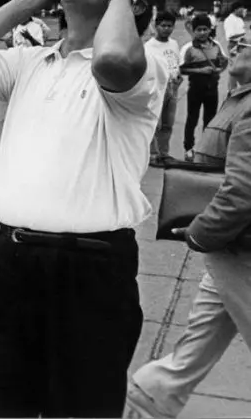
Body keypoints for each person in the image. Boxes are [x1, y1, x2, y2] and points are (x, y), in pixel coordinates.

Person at [0, 0, 165, 417]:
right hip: (10, 260)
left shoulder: (145, 65)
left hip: (91, 269)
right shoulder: (30, 62)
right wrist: (27, 0)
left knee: (79, 407)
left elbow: (113, 59)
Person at [126, 32, 251, 419]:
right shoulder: (239, 98)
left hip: (238, 248)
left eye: (248, 42)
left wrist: (201, 232)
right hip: (228, 247)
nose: (238, 44)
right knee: (199, 339)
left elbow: (243, 187)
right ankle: (152, 397)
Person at [181, 13, 228, 162]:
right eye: (199, 29)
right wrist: (199, 71)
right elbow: (181, 70)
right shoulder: (188, 48)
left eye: (205, 29)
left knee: (210, 120)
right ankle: (189, 148)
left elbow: (224, 60)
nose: (202, 32)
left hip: (212, 89)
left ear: (210, 30)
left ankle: (205, 149)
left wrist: (220, 69)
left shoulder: (216, 45)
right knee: (192, 119)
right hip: (195, 89)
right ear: (194, 31)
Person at [147, 11, 182, 167]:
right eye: (163, 26)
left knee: (168, 123)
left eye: (170, 26)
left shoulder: (174, 44)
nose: (166, 29)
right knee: (155, 123)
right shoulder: (149, 46)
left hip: (173, 87)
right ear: (156, 26)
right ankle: (153, 154)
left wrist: (178, 77)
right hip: (158, 87)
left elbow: (176, 63)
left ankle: (164, 153)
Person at [222, 2, 247, 92]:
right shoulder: (229, 20)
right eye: (241, 8)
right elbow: (230, 36)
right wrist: (244, 33)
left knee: (242, 68)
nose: (243, 10)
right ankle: (232, 90)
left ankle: (242, 88)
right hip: (234, 46)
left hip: (242, 45)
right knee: (234, 69)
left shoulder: (239, 19)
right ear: (236, 9)